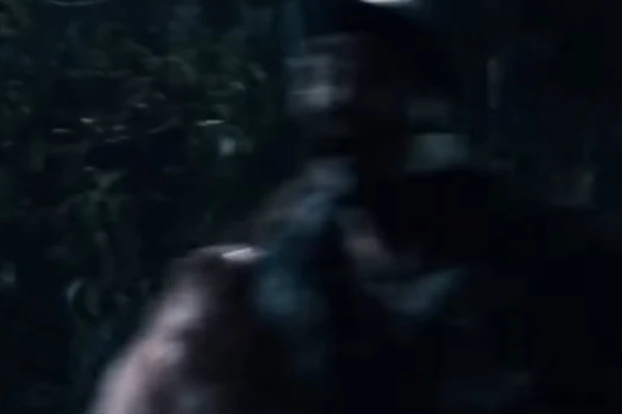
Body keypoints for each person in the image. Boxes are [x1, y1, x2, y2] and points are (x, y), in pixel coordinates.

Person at [88, 1, 622, 413]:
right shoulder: (278, 279)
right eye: (324, 69)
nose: (334, 94)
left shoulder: (552, 263)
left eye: (367, 72)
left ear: (428, 99)